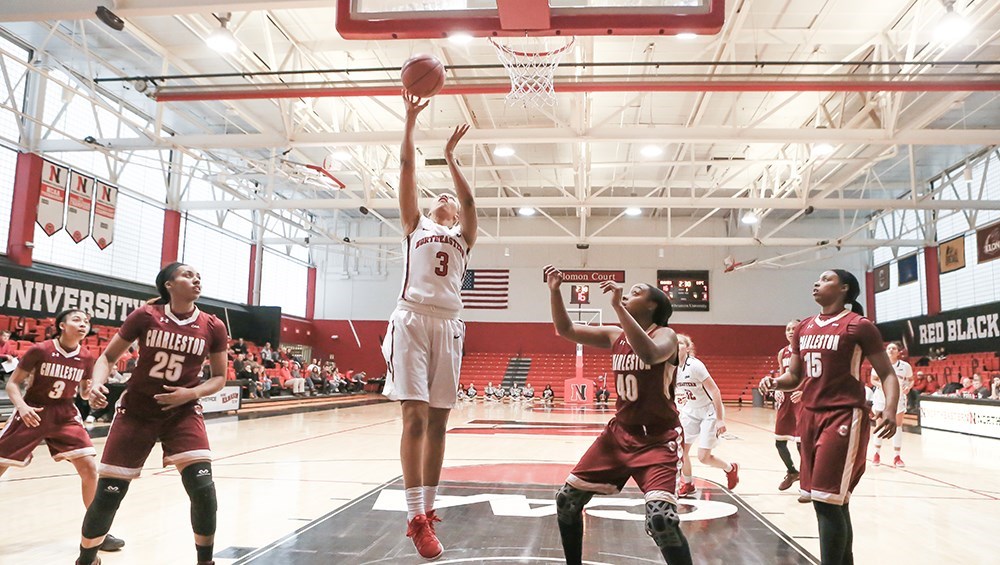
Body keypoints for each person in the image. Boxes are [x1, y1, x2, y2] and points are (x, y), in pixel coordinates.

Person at [77, 262, 229, 565]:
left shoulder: (213, 325)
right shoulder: (146, 316)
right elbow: (107, 357)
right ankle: (86, 560)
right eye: (187, 274)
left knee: (202, 489)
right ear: (168, 284)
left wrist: (192, 392)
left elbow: (220, 377)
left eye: (199, 275)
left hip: (183, 412)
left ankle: (205, 561)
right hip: (137, 411)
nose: (196, 278)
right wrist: (96, 383)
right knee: (109, 493)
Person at [379, 92, 476, 561]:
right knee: (414, 416)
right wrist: (410, 120)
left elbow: (471, 202)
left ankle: (429, 513)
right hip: (412, 319)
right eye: (439, 196)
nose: (443, 198)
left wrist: (453, 160)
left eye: (449, 200)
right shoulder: (414, 225)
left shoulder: (463, 236)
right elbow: (404, 169)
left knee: (439, 421)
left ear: (455, 215)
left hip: (450, 325)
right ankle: (414, 515)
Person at [545, 265, 692, 565]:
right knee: (567, 502)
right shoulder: (615, 335)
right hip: (618, 434)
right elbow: (566, 330)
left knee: (661, 520)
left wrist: (616, 306)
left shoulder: (667, 335)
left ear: (653, 306)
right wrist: (555, 291)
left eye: (636, 292)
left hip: (658, 439)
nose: (627, 295)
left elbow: (649, 354)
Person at [759, 269, 899, 565]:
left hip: (843, 415)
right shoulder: (804, 328)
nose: (816, 283)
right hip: (808, 416)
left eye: (825, 279)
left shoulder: (859, 326)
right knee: (833, 502)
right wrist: (774, 381)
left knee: (825, 502)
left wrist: (889, 409)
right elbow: (794, 376)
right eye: (817, 279)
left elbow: (886, 372)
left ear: (844, 289)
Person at [0, 310, 125, 553]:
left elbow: (84, 393)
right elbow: (13, 383)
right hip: (34, 409)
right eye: (77, 320)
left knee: (89, 467)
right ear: (61, 326)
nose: (83, 324)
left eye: (86, 321)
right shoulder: (40, 350)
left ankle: (97, 531)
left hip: (65, 414)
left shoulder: (87, 356)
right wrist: (22, 407)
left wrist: (94, 397)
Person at [675, 334, 738, 497]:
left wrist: (719, 419)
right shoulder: (672, 367)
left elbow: (715, 391)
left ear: (688, 348)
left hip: (708, 411)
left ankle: (730, 468)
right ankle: (688, 484)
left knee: (703, 457)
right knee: (681, 451)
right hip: (689, 411)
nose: (676, 345)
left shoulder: (695, 366)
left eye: (680, 343)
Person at [772, 319, 805, 497]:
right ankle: (792, 471)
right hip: (785, 398)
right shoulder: (782, 352)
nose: (791, 331)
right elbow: (781, 372)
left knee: (802, 443)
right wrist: (777, 388)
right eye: (788, 329)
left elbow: (811, 375)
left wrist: (804, 392)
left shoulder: (806, 350)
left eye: (794, 328)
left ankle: (808, 479)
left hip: (800, 397)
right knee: (779, 441)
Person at [870, 342, 911, 468]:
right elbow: (873, 380)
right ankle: (876, 454)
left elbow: (911, 379)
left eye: (894, 348)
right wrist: (885, 386)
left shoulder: (905, 366)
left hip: (899, 398)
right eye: (889, 348)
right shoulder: (879, 364)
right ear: (885, 351)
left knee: (898, 426)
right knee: (879, 425)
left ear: (898, 352)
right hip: (881, 397)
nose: (891, 350)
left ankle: (897, 456)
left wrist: (908, 387)